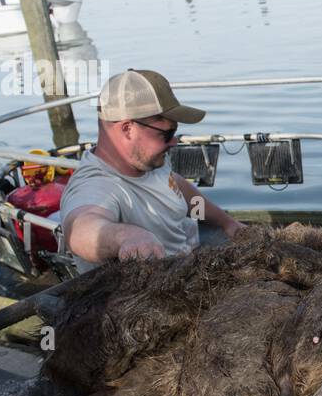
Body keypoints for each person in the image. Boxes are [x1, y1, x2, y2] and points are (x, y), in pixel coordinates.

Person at [59, 69, 244, 272]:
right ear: (128, 129)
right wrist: (127, 237)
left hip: (191, 255)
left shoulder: (152, 162)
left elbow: (180, 189)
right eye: (167, 133)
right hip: (161, 286)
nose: (173, 142)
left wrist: (226, 223)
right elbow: (80, 229)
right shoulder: (97, 184)